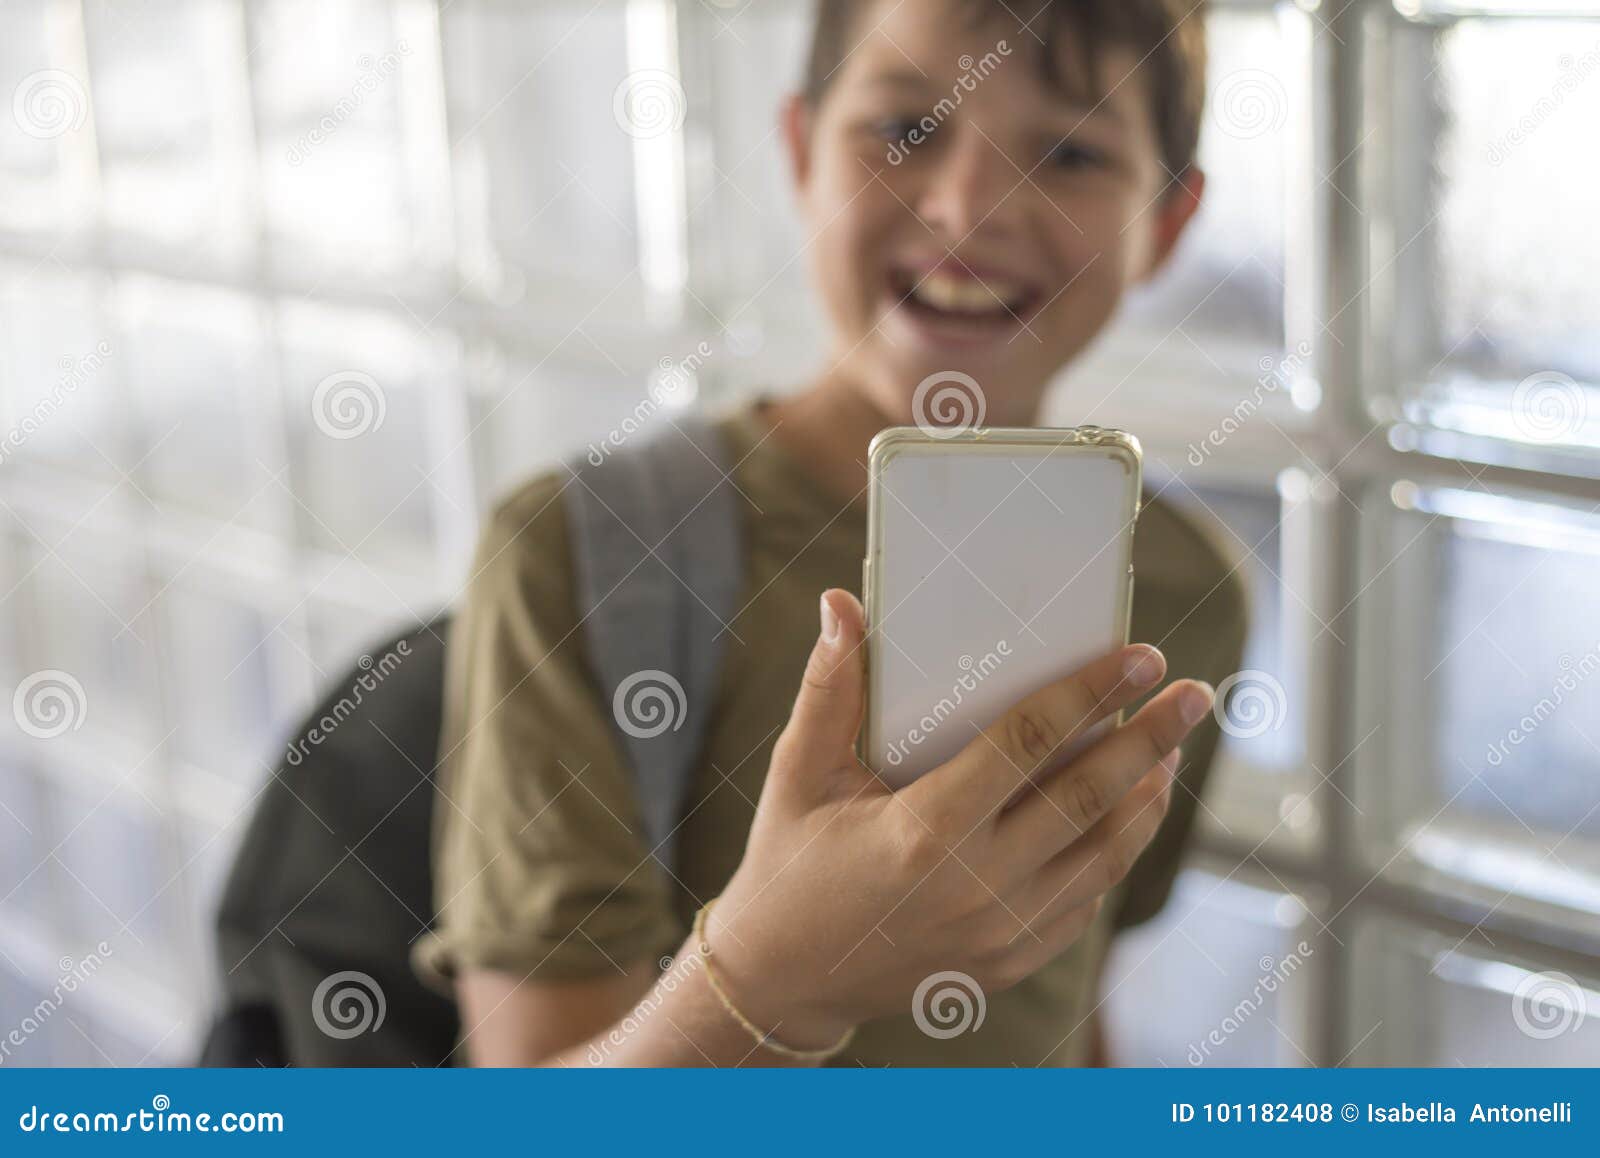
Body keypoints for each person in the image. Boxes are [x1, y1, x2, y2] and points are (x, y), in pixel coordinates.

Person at [413, 0, 1247, 1066]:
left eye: (1073, 151)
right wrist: (775, 980)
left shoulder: (1183, 589)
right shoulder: (581, 553)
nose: (970, 207)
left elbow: (1070, 1003)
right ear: (802, 151)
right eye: (906, 132)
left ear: (1166, 221)